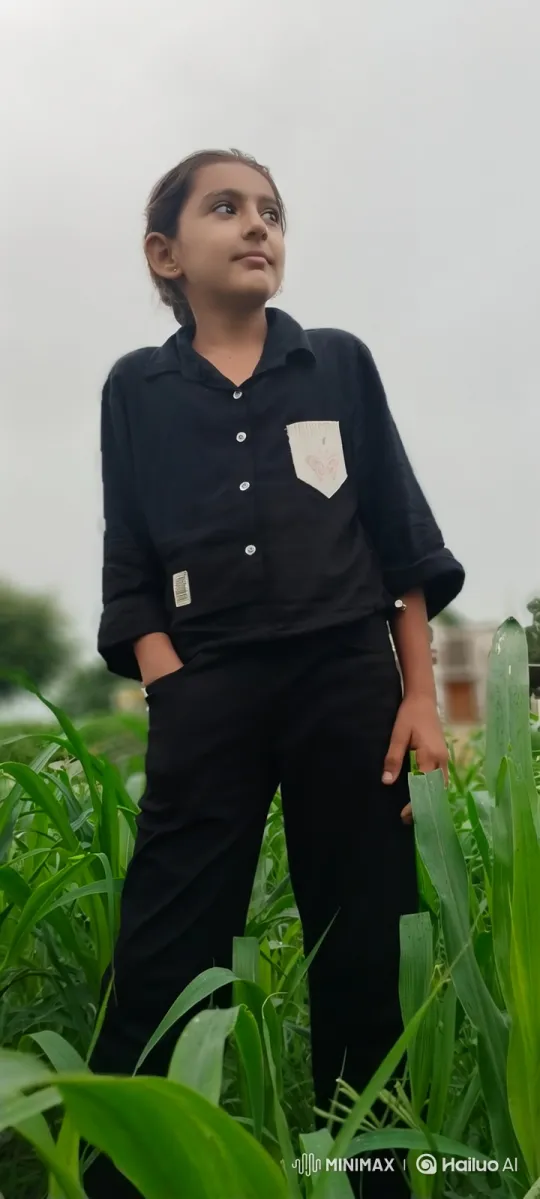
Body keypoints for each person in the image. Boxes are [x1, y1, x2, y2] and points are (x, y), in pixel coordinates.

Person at [85, 148, 465, 1198]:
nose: (258, 225)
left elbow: (399, 541)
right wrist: (170, 682)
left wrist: (420, 699)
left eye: (272, 211)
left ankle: (368, 1176)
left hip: (349, 683)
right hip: (206, 686)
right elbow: (129, 563)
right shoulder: (137, 388)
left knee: (364, 943)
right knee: (166, 941)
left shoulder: (336, 363)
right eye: (226, 207)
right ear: (166, 253)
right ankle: (134, 1173)